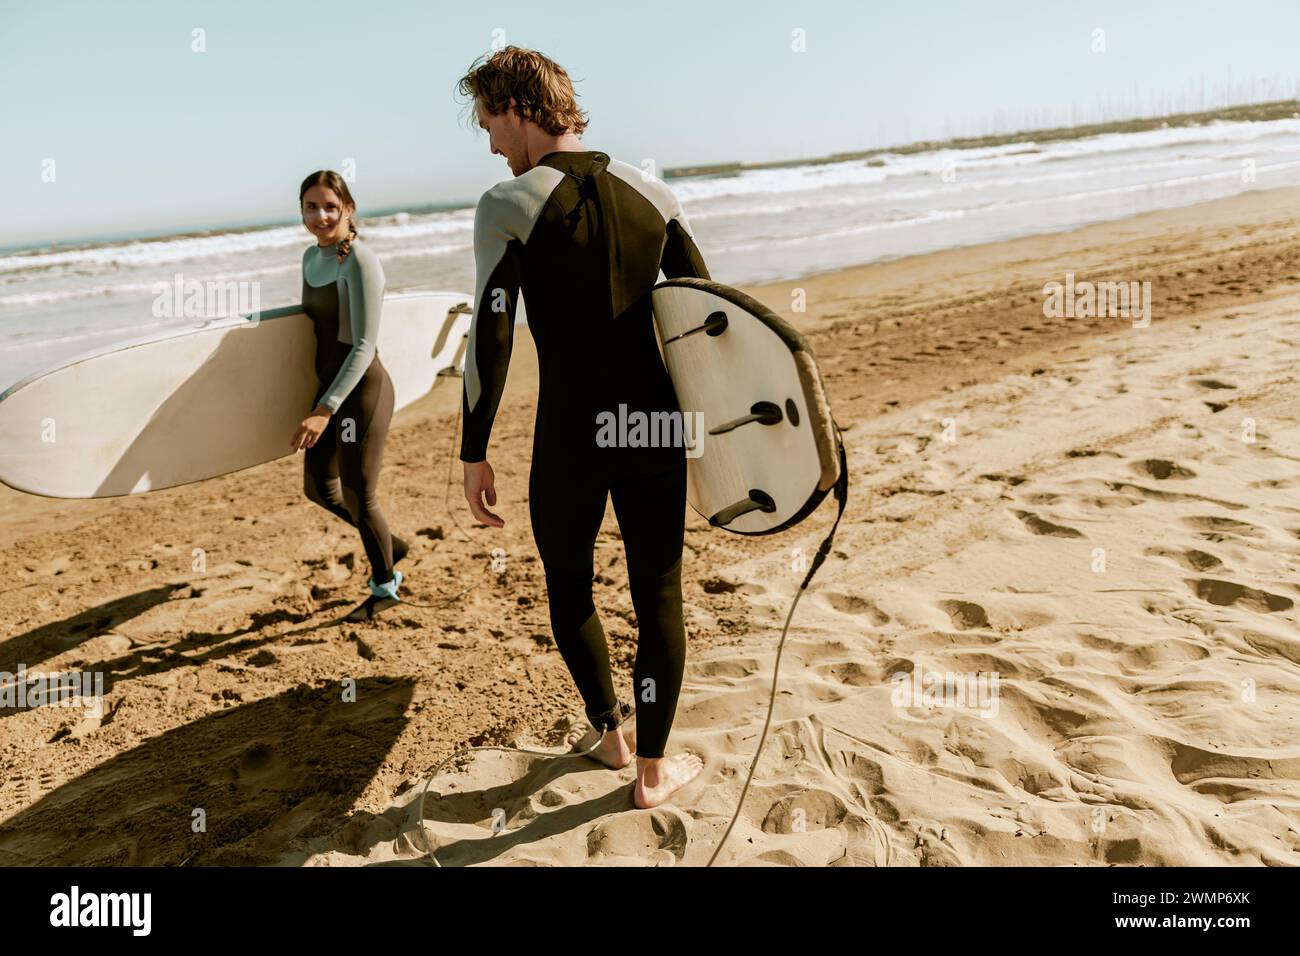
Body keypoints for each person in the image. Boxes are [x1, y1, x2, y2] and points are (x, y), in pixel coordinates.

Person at [455, 47, 710, 809]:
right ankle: (654, 773)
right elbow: (706, 316)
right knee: (657, 590)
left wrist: (474, 451)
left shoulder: (506, 205)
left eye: (490, 124)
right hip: (652, 425)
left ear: (519, 109)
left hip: (570, 430)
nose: (492, 144)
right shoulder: (652, 190)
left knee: (570, 584)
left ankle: (608, 735)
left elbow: (491, 336)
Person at [293, 170, 409, 622]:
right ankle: (390, 546)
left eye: (329, 207)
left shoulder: (359, 260)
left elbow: (362, 345)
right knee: (319, 488)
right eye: (310, 207)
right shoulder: (309, 258)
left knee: (361, 494)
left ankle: (385, 587)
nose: (319, 216)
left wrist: (324, 410)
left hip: (361, 390)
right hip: (328, 385)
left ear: (348, 209)